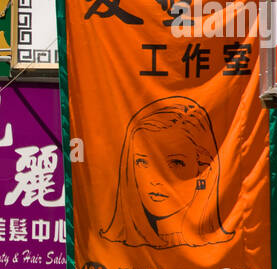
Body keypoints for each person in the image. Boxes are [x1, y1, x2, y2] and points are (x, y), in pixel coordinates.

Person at [100, 97, 234, 249]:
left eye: (176, 163)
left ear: (203, 167)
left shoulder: (229, 249)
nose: (155, 178)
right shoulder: (113, 247)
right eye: (142, 162)